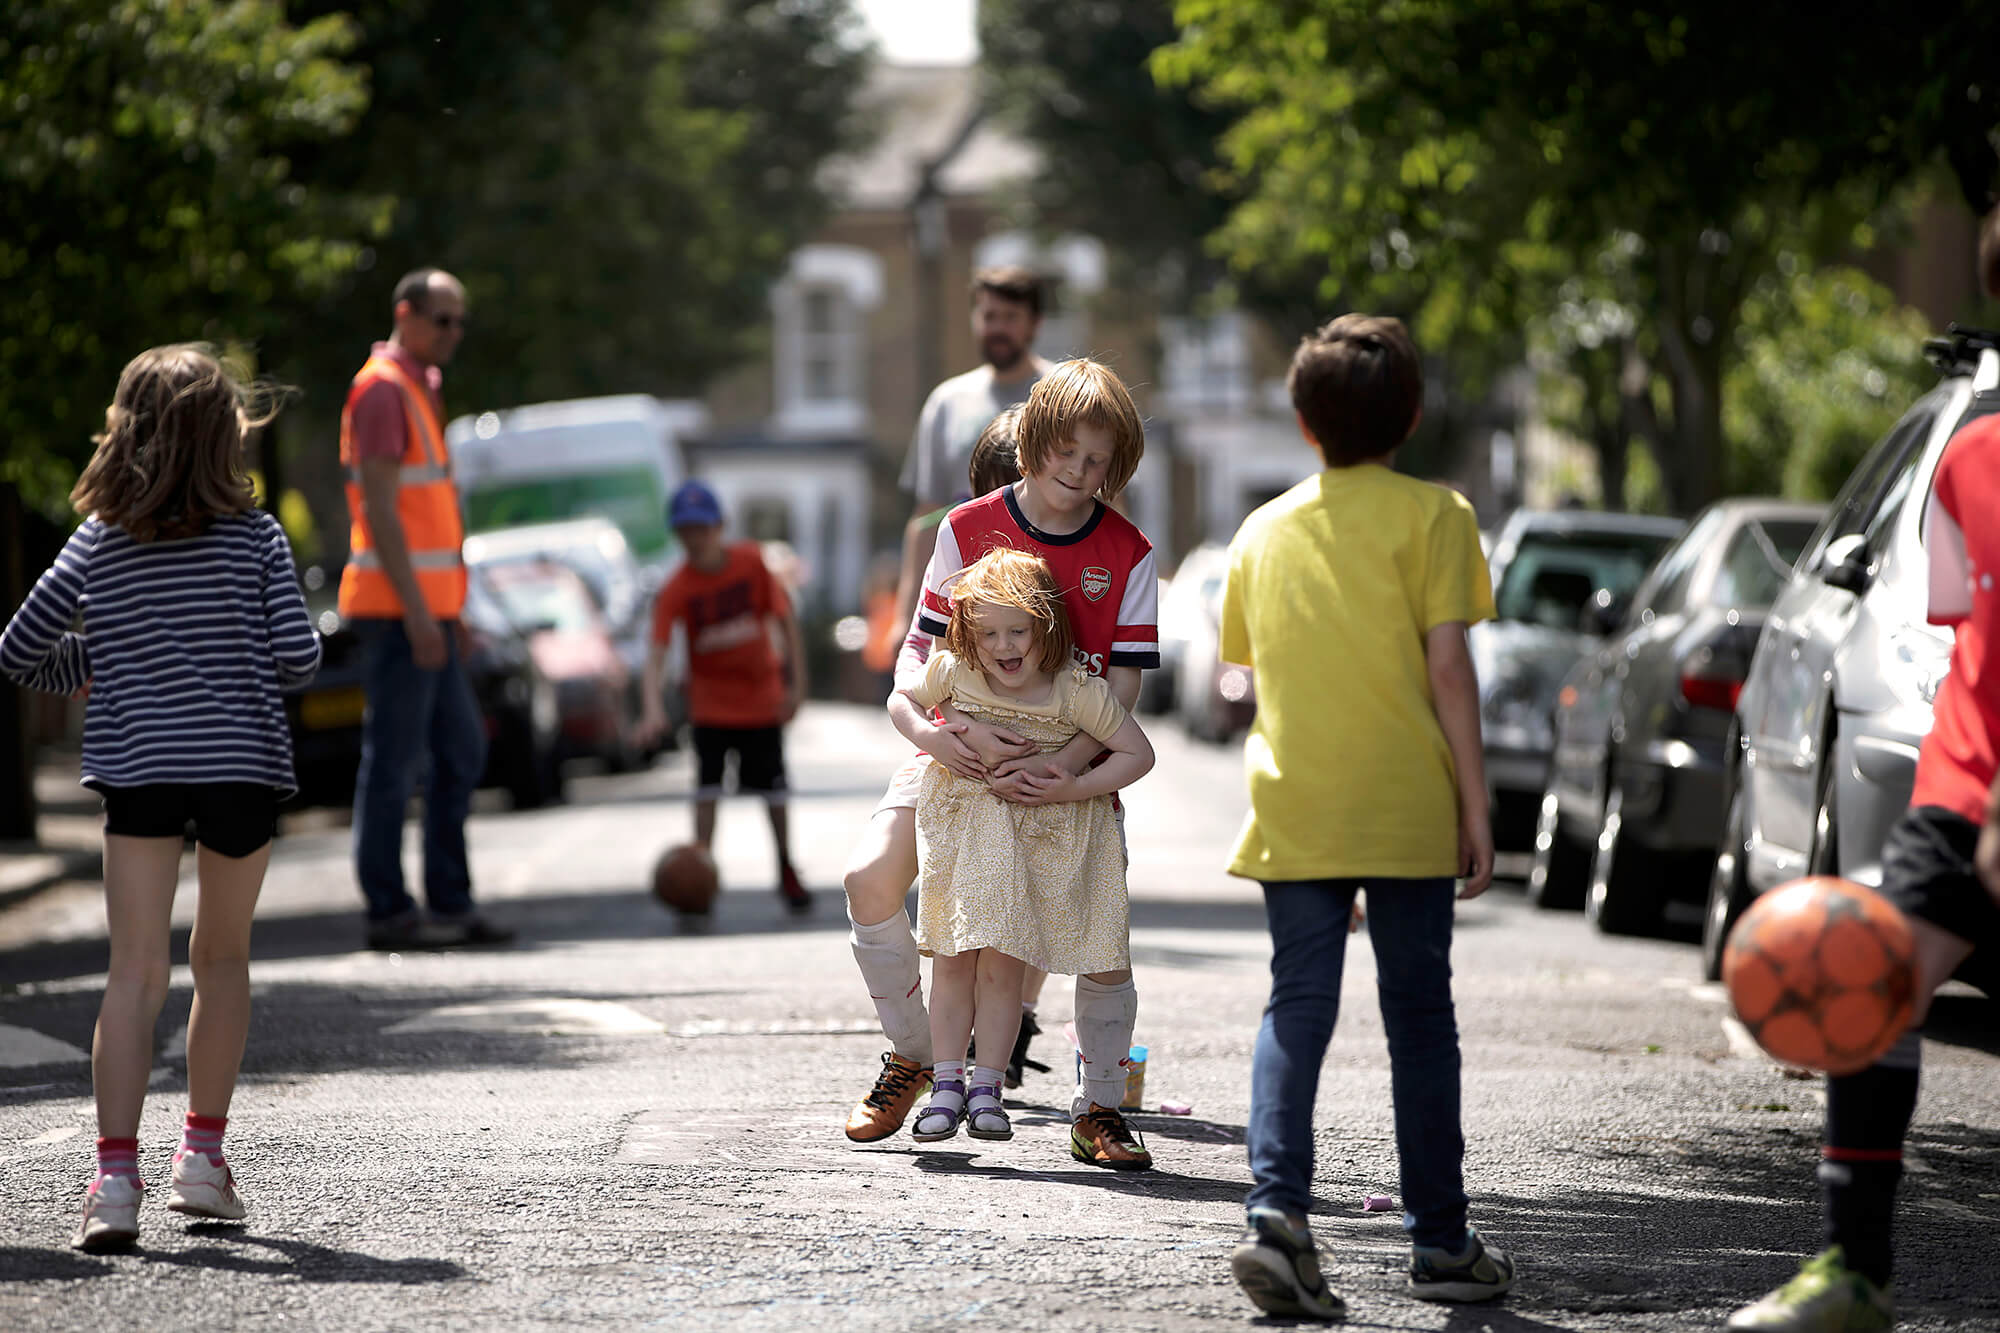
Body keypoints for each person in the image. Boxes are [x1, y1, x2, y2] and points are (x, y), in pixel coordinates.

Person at [1729, 203, 2000, 1333]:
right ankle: (1854, 1269)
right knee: (1865, 979)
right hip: (1959, 786)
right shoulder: (1967, 458)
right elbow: (1961, 630)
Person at [1219, 315, 1514, 1319]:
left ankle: (1275, 1216)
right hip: (1403, 805)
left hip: (1296, 799)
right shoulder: (1437, 516)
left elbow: (1246, 671)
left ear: (1303, 423)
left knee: (1295, 1005)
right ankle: (1437, 1240)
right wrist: (1476, 807)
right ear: (1413, 416)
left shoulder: (1260, 530)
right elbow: (1447, 668)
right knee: (1418, 1020)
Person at [0, 345, 323, 1250]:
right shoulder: (255, 536)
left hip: (137, 766)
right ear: (224, 436)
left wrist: (101, 661)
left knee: (134, 970)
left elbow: (18, 649)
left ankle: (111, 1182)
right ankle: (202, 1161)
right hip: (239, 767)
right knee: (220, 958)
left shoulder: (99, 536)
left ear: (127, 428)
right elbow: (299, 658)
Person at [841, 359, 1162, 1174]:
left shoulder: (1128, 551)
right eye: (1066, 449)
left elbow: (1122, 684)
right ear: (1033, 438)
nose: (1079, 472)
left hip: (1068, 761)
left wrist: (1068, 764)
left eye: (1099, 462)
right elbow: (921, 650)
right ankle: (919, 1056)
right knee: (868, 878)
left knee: (1103, 941)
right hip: (955, 752)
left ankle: (1098, 1106)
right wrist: (949, 732)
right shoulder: (968, 523)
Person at [892, 549, 1156, 1144]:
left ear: (1047, 629)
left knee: (1004, 971)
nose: (1004, 646)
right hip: (964, 841)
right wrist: (932, 738)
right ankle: (947, 1085)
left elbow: (1139, 754)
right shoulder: (955, 671)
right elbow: (900, 700)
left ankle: (987, 1086)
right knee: (954, 962)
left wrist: (1074, 785)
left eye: (1019, 631)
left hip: (1029, 847)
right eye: (987, 633)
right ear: (967, 633)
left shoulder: (1074, 691)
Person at [343, 267, 512, 951]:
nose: (454, 333)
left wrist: (450, 609)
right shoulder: (383, 390)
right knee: (395, 759)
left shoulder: (419, 387)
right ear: (404, 314)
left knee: (460, 749)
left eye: (460, 321)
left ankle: (448, 899)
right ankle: (389, 909)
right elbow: (381, 510)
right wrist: (418, 611)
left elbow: (428, 515)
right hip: (395, 612)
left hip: (428, 611)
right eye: (442, 319)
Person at [638, 481, 810, 913]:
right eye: (686, 531)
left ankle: (786, 867)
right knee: (706, 790)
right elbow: (656, 651)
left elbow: (785, 621)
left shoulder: (751, 563)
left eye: (702, 528)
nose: (695, 539)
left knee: (773, 789)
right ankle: (701, 867)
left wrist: (796, 684)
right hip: (710, 704)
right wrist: (653, 708)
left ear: (720, 527)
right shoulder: (678, 586)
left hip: (760, 698)